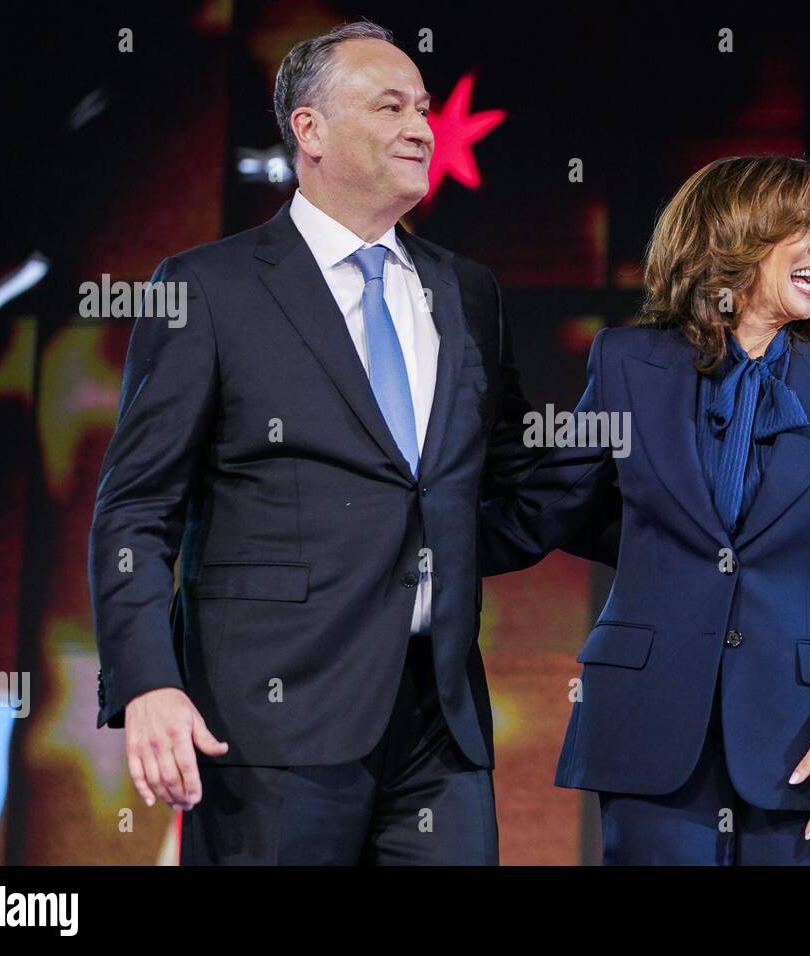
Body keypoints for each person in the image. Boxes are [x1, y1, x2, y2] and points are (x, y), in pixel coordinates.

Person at [88, 19, 614, 865]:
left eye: (426, 108)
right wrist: (149, 680)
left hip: (439, 724)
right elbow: (135, 508)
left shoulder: (466, 290)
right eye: (391, 106)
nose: (421, 127)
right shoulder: (206, 287)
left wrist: (669, 493)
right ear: (311, 130)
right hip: (269, 725)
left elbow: (516, 471)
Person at [480, 155, 810, 865]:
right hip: (649, 734)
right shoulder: (627, 363)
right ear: (737, 234)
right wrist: (409, 545)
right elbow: (544, 511)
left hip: (801, 740)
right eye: (802, 228)